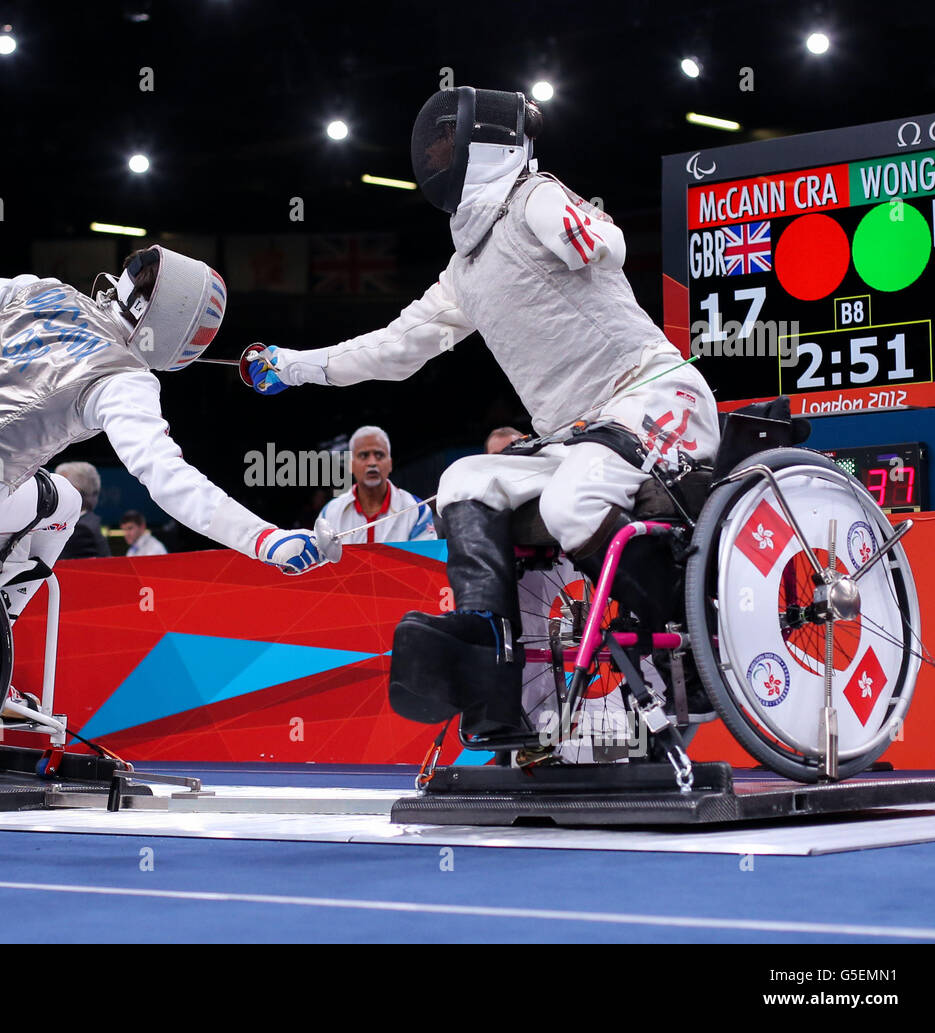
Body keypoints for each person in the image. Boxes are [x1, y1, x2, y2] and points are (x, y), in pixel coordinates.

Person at [246, 86, 719, 728]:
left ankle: (681, 650)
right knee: (463, 482)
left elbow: (607, 243)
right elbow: (395, 348)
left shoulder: (536, 196)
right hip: (578, 437)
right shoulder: (465, 270)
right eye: (432, 147)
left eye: (447, 144)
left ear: (486, 144)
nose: (436, 156)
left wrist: (585, 233)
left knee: (571, 504)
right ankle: (493, 670)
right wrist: (298, 365)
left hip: (654, 397)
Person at [0, 246, 322, 679]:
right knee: (62, 506)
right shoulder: (125, 378)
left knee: (28, 505)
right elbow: (167, 478)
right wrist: (263, 539)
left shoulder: (40, 289)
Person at [317, 426, 435, 544]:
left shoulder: (417, 510)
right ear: (351, 465)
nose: (372, 463)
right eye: (364, 455)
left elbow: (427, 560)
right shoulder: (329, 513)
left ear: (390, 464)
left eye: (379, 455)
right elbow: (319, 561)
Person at [55, 461, 111, 559]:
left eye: (60, 486)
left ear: (75, 491)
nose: (55, 491)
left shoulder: (80, 530)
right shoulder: (88, 523)